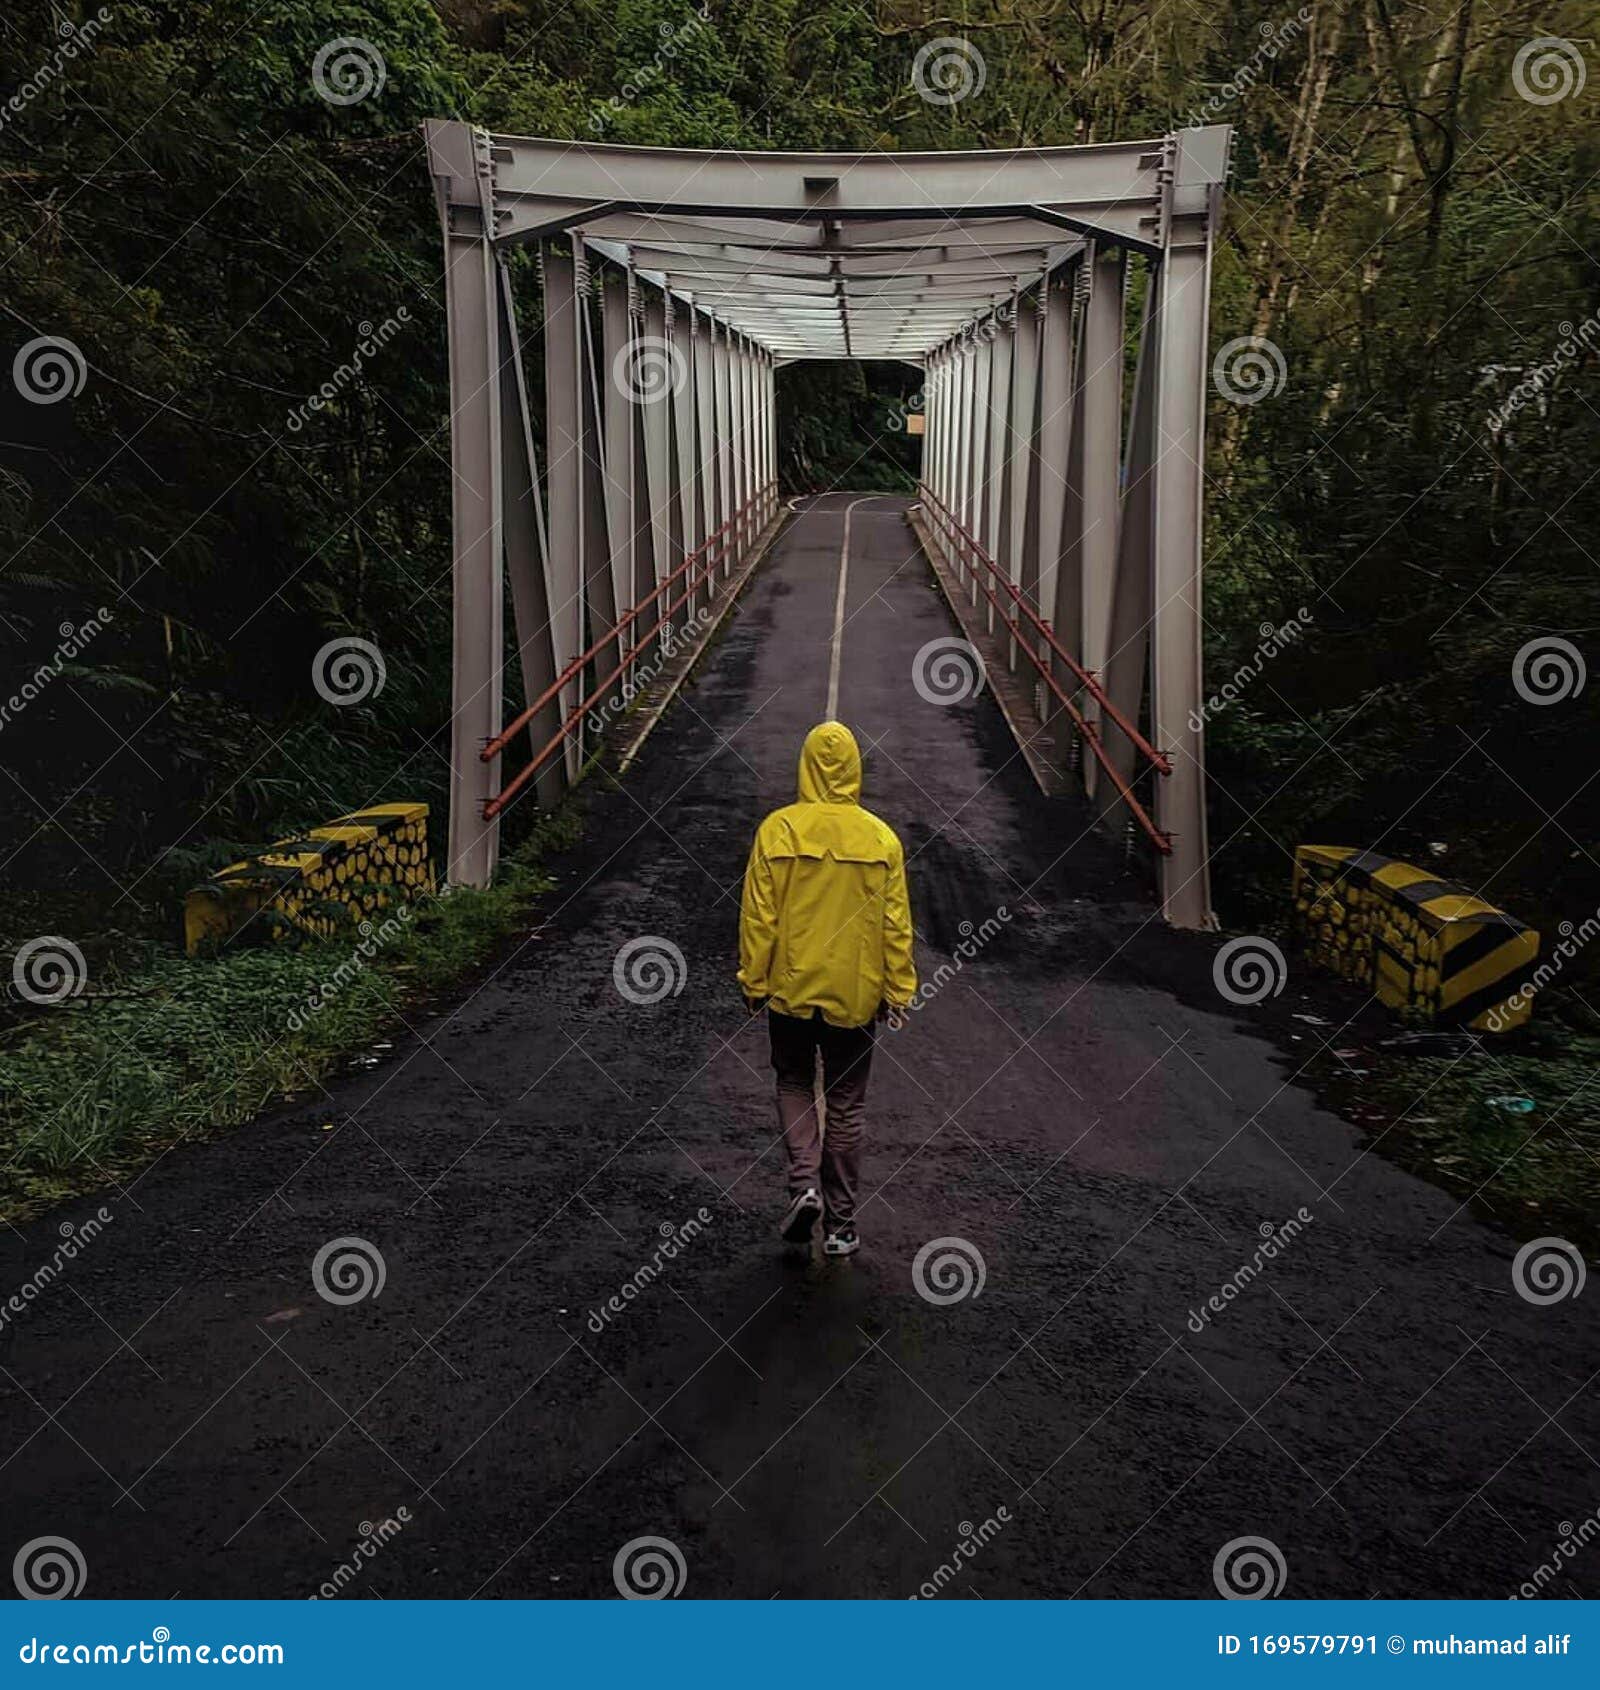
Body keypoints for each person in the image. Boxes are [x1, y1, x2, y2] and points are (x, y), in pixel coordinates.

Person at [737, 721, 916, 1257]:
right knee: (845, 1104)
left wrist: (755, 978)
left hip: (791, 987)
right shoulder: (881, 839)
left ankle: (803, 1185)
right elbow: (895, 924)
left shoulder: (778, 830)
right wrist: (899, 990)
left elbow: (758, 917)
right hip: (855, 994)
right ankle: (841, 1227)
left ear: (806, 766)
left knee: (794, 1082)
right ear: (856, 769)